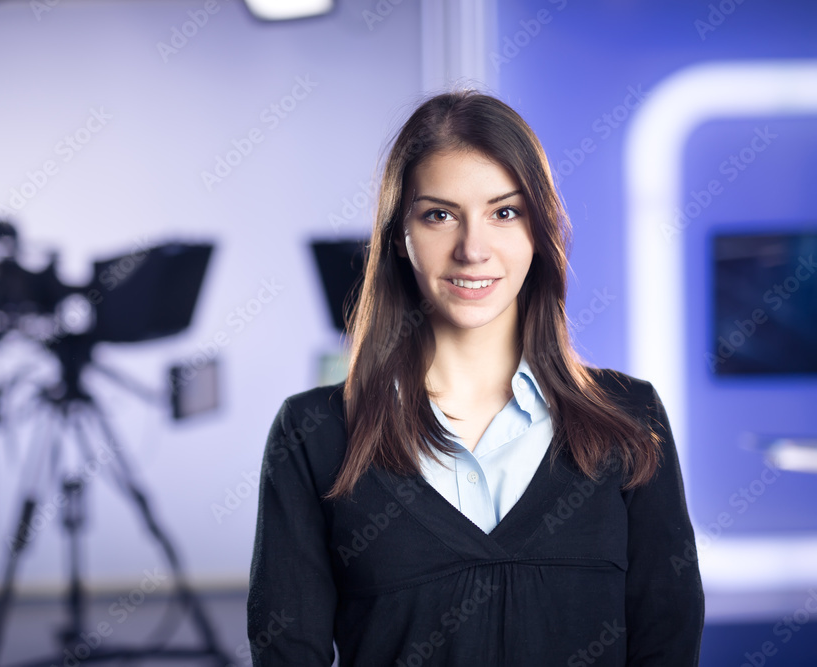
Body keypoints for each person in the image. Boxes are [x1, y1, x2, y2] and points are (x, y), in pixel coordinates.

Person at [247, 90, 704, 666]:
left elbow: (668, 638)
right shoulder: (314, 433)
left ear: (539, 233)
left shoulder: (630, 418)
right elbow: (288, 653)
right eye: (438, 215)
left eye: (504, 212)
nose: (472, 249)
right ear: (398, 235)